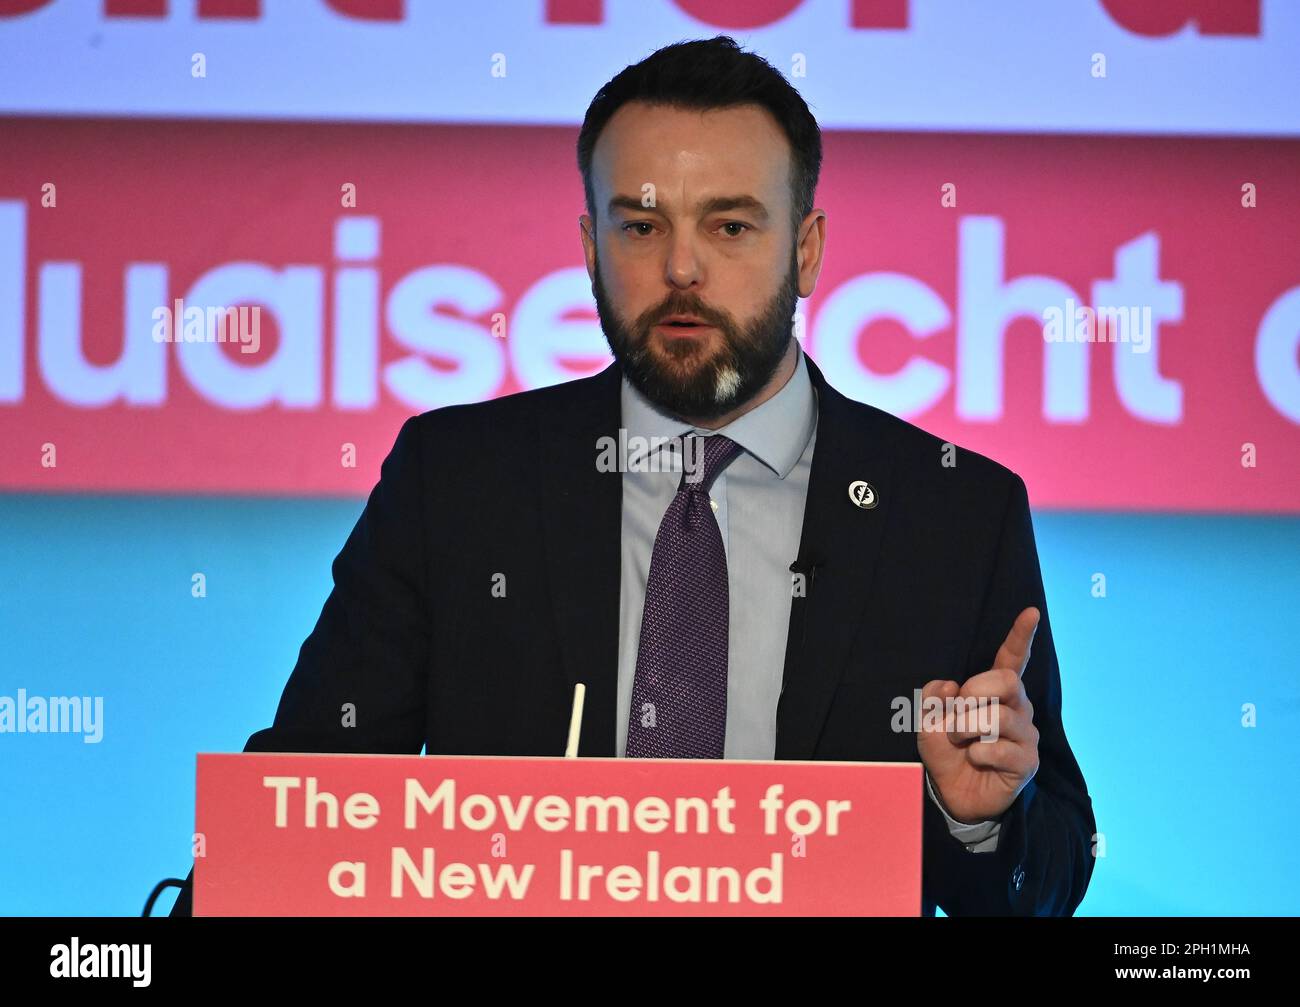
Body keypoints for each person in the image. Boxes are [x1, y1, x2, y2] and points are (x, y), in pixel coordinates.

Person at [171, 35, 1095, 917]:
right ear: (588, 247)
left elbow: (1051, 877)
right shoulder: (458, 483)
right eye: (642, 224)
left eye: (730, 225)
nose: (681, 268)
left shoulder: (953, 512)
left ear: (806, 250)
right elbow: (302, 800)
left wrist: (980, 820)